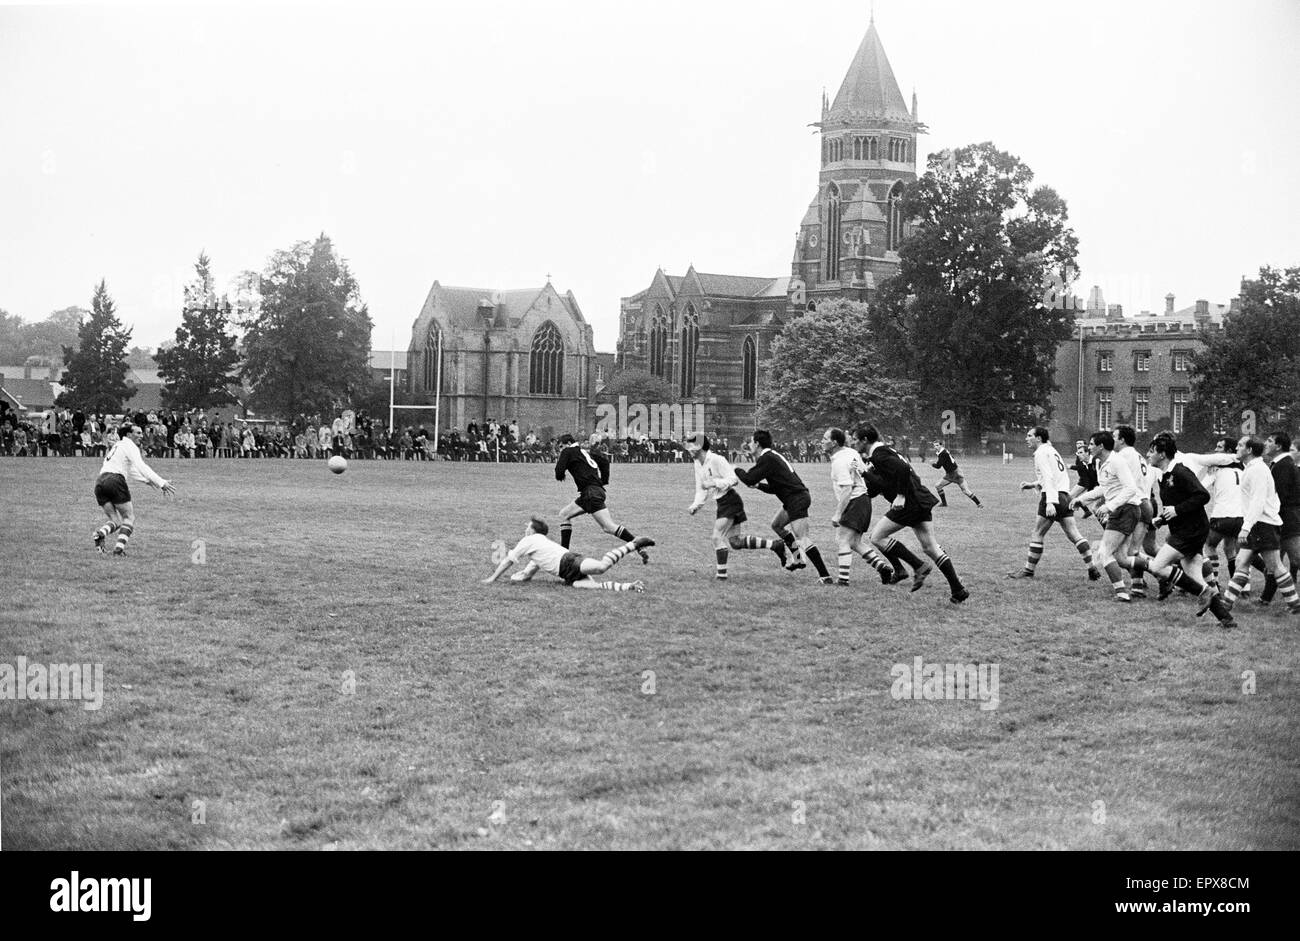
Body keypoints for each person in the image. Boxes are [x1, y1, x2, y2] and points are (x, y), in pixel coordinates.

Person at [1121, 434, 1237, 628]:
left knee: (1157, 567)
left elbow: (1202, 495)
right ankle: (1226, 618)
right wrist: (1162, 519)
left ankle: (1203, 592)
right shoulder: (1164, 476)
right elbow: (1176, 506)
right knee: (1194, 576)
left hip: (1192, 530)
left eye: (1151, 451)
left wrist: (1177, 510)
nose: (1148, 455)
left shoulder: (1181, 472)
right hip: (1184, 528)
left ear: (1162, 454)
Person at [858, 425, 968, 602]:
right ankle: (958, 590)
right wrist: (865, 476)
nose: (855, 443)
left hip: (909, 502)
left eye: (856, 439)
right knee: (930, 547)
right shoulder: (884, 452)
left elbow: (902, 468)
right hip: (920, 498)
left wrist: (900, 495)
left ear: (864, 440)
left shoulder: (879, 454)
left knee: (877, 537)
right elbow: (883, 483)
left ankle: (918, 566)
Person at [733, 429, 834, 584]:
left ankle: (825, 576)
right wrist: (759, 485)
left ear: (757, 443)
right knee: (777, 525)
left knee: (804, 539)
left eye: (751, 442)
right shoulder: (772, 456)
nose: (749, 445)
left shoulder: (766, 458)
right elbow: (775, 488)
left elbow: (748, 478)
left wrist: (734, 469)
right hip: (795, 497)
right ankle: (799, 559)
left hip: (796, 498)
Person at [685, 431, 788, 579]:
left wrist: (715, 482)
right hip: (723, 502)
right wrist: (696, 504)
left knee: (716, 537)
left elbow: (733, 480)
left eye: (691, 445)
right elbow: (701, 487)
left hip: (730, 501)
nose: (688, 449)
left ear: (699, 446)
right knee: (736, 542)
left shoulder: (716, 459)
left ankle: (721, 576)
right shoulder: (697, 463)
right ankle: (775, 545)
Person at [1007, 427, 1100, 581]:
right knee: (1074, 534)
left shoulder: (1041, 453)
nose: (1026, 438)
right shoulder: (1052, 451)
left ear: (1038, 438)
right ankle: (1092, 568)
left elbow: (1049, 478)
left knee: (1038, 533)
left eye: (1029, 435)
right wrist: (1033, 484)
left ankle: (1028, 570)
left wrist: (1050, 502)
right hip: (1064, 496)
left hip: (1052, 496)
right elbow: (1055, 476)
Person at [1221, 435, 1300, 614]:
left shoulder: (1257, 470)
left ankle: (1295, 605)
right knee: (1241, 561)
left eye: (1240, 445)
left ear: (1249, 450)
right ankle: (1225, 605)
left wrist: (1246, 526)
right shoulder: (1254, 468)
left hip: (1263, 525)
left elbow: (1258, 501)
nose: (1236, 448)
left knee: (1276, 566)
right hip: (1259, 524)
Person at [482, 517, 650, 592]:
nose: (525, 529)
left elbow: (508, 561)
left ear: (533, 531)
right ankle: (630, 586)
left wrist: (492, 578)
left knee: (601, 567)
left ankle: (633, 544)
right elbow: (529, 572)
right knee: (591, 586)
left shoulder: (530, 540)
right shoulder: (539, 548)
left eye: (527, 527)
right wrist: (517, 578)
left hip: (568, 562)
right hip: (567, 572)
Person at [554, 433, 650, 563]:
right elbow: (604, 462)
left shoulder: (568, 451)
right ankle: (563, 553)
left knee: (608, 527)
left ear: (568, 443)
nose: (560, 449)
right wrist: (603, 481)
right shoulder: (584, 451)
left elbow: (559, 471)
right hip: (595, 491)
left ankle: (638, 544)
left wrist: (561, 472)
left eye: (561, 446)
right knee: (564, 514)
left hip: (590, 493)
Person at [1071, 430, 1142, 602]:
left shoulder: (1117, 461)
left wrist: (1109, 506)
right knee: (1121, 558)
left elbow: (1131, 488)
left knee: (1104, 553)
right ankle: (1164, 570)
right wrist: (1081, 500)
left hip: (1126, 509)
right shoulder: (1099, 463)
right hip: (1123, 510)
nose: (1088, 447)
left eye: (1091, 444)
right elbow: (1103, 488)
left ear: (1100, 446)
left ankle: (1121, 593)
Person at [822, 427, 895, 585]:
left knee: (842, 539)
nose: (822, 441)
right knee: (854, 542)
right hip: (863, 500)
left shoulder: (840, 461)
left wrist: (838, 514)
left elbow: (847, 489)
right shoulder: (850, 452)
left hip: (855, 501)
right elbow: (863, 469)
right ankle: (883, 568)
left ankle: (843, 581)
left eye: (825, 438)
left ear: (834, 443)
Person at [91, 422, 176, 556]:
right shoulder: (129, 445)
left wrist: (147, 481)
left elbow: (131, 470)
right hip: (114, 481)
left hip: (100, 482)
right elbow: (141, 466)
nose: (141, 436)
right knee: (129, 517)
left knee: (116, 521)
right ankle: (118, 551)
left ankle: (100, 534)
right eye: (138, 433)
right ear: (129, 434)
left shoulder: (117, 446)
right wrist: (161, 483)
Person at [932, 440, 982, 507]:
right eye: (934, 445)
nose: (935, 447)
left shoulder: (943, 453)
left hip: (955, 474)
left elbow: (938, 466)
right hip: (952, 473)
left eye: (937, 445)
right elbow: (952, 457)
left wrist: (932, 464)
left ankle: (979, 504)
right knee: (938, 486)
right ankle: (944, 504)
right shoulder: (943, 451)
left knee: (965, 490)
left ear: (941, 445)